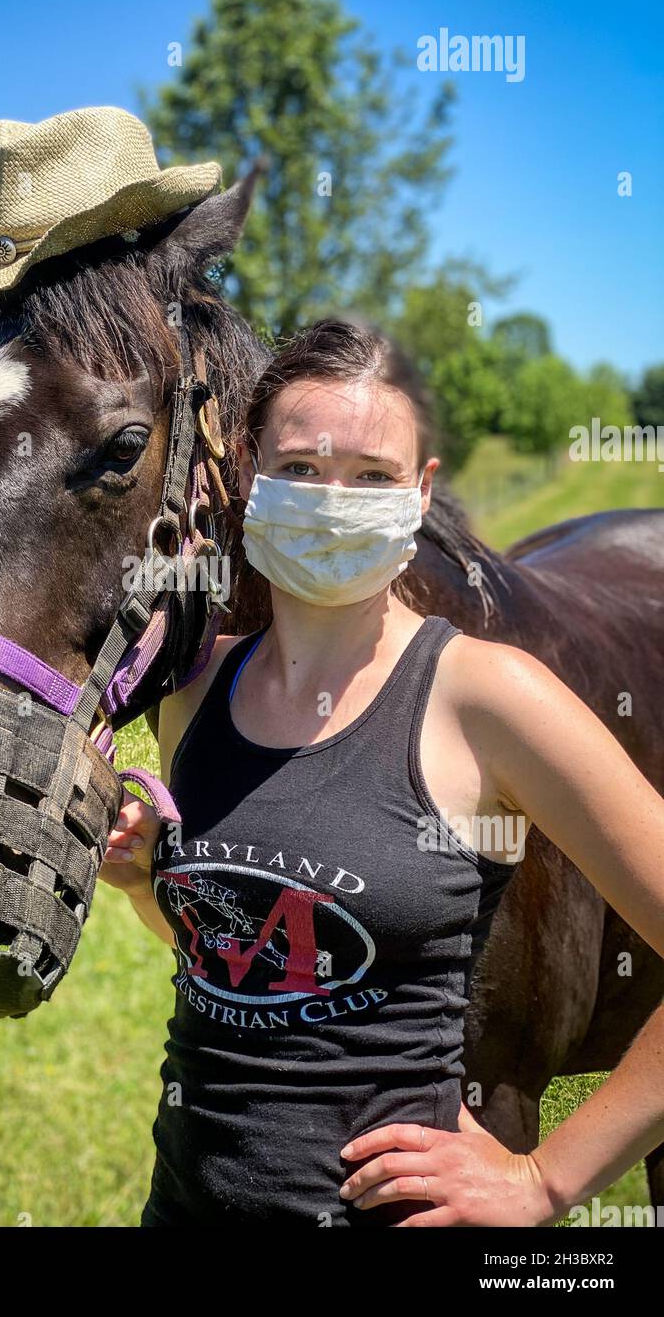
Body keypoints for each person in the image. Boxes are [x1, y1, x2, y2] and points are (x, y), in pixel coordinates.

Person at [99, 318, 664, 1227]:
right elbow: (257, 961)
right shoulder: (195, 692)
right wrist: (142, 885)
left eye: (371, 478)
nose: (334, 503)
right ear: (245, 470)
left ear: (420, 490)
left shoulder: (489, 698)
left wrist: (544, 1181)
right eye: (303, 471)